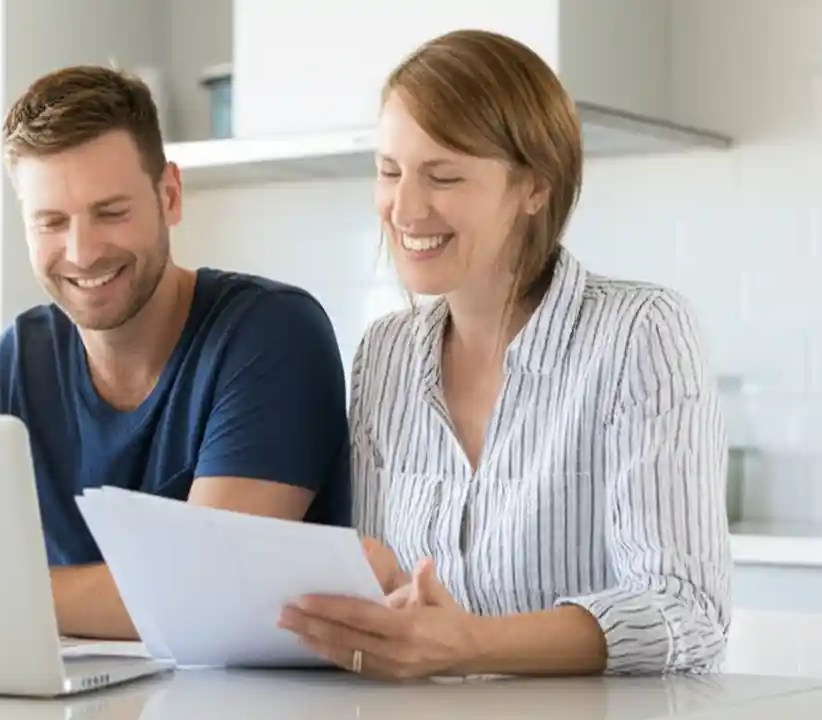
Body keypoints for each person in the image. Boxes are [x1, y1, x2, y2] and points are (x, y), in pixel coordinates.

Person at [278, 30, 731, 678]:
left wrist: (469, 643)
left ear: (534, 188)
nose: (404, 208)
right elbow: (391, 590)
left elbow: (686, 614)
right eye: (389, 172)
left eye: (443, 175)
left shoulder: (638, 334)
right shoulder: (385, 355)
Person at [0, 66, 351, 640]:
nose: (82, 252)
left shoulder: (272, 333)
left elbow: (207, 590)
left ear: (170, 195)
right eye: (52, 222)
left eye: (111, 212)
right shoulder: (19, 361)